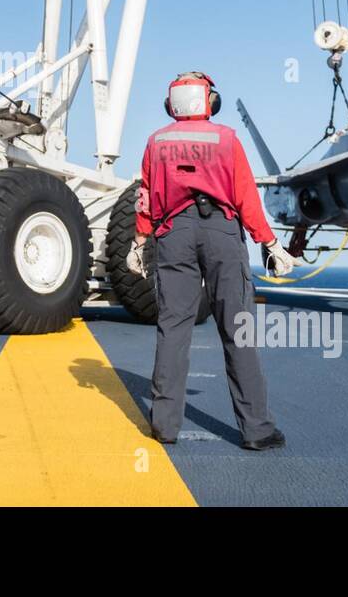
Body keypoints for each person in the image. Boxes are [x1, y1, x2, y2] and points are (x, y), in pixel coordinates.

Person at [127, 71, 296, 451]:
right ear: (210, 101)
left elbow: (146, 196)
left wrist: (139, 241)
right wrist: (269, 243)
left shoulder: (156, 142)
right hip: (221, 232)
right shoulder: (226, 139)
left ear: (172, 104)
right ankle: (256, 430)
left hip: (173, 234)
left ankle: (165, 427)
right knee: (237, 329)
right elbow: (245, 197)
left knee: (173, 327)